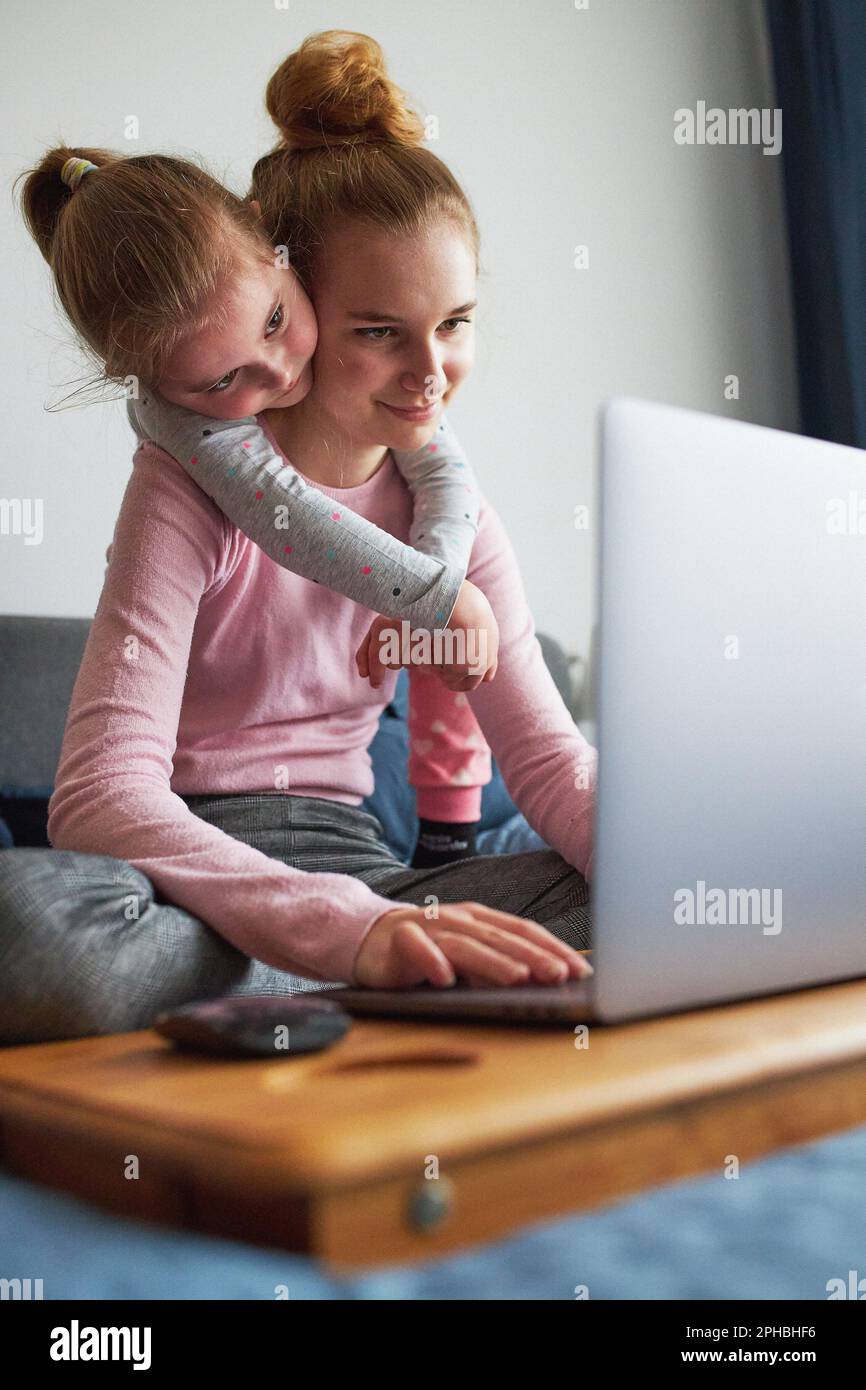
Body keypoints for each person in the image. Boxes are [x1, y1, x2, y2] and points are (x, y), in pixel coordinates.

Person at [0, 30, 596, 1045]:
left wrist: (691, 876)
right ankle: (367, 971)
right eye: (377, 330)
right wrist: (347, 929)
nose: (429, 373)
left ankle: (354, 973)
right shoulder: (184, 489)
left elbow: (546, 760)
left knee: (639, 899)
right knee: (31, 933)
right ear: (289, 299)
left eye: (452, 322)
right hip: (189, 875)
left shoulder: (452, 515)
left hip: (361, 865)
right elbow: (102, 796)